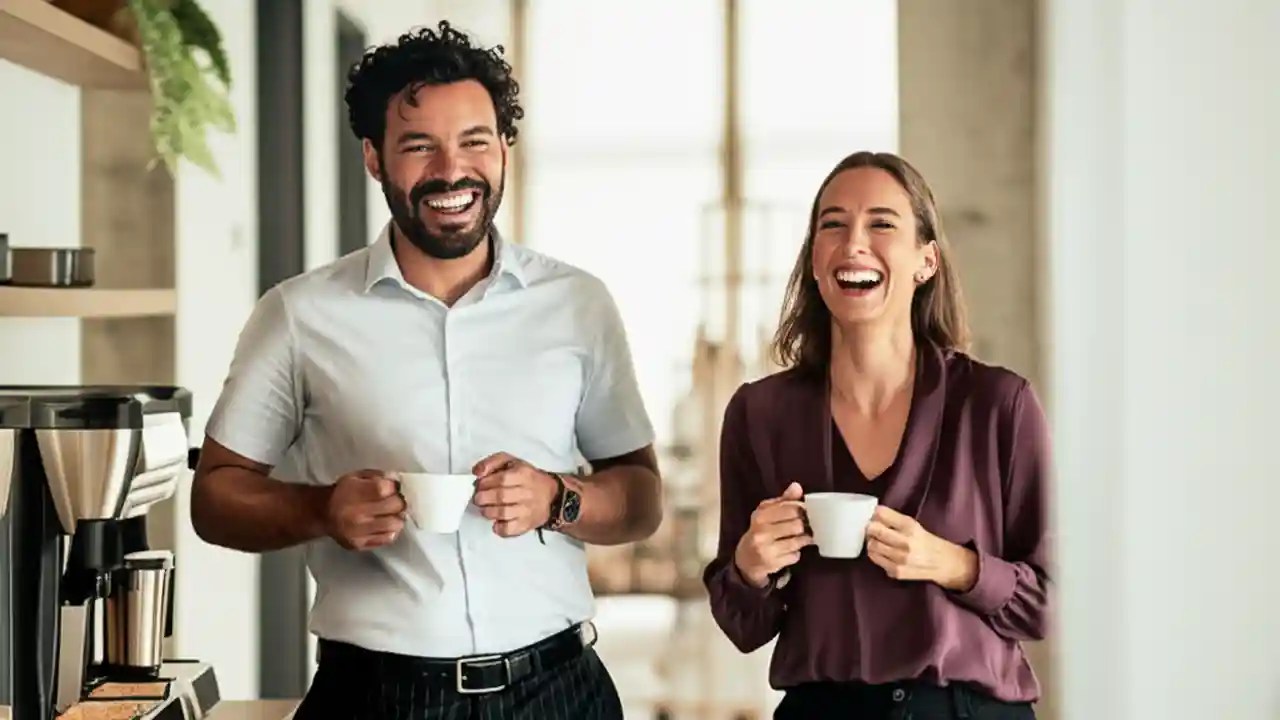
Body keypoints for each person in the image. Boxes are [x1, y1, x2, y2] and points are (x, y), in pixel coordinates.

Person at [190, 21, 661, 720]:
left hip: (559, 691)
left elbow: (642, 497)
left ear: (504, 149)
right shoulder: (298, 315)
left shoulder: (578, 305)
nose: (451, 170)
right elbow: (214, 498)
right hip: (373, 697)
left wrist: (558, 498)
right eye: (419, 146)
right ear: (375, 158)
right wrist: (321, 508)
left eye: (475, 141)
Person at [703, 151, 1051, 719]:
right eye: (832, 224)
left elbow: (1052, 603)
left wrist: (955, 565)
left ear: (926, 260)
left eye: (882, 224)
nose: (853, 243)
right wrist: (749, 564)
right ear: (815, 261)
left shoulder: (998, 405)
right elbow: (745, 626)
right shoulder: (759, 413)